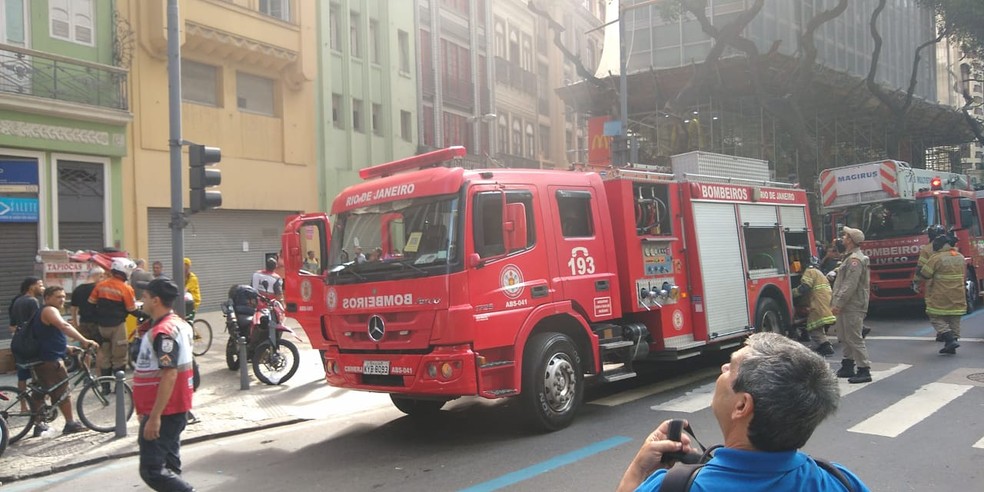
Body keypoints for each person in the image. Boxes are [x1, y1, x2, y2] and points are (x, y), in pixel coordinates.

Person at [617, 333, 869, 492]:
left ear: (742, 406)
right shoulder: (839, 481)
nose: (723, 366)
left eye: (731, 368)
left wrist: (638, 470)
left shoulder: (671, 487)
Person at [132, 277, 196, 492]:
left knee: (152, 470)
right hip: (172, 407)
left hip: (165, 410)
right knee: (169, 465)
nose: (142, 299)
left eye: (146, 296)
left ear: (156, 300)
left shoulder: (164, 332)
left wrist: (155, 416)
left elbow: (169, 374)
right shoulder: (179, 323)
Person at [30, 286, 99, 435]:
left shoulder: (43, 311)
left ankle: (39, 424)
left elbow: (48, 337)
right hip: (50, 360)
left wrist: (67, 348)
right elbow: (64, 326)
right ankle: (70, 423)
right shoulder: (49, 310)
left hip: (43, 357)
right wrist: (84, 340)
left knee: (40, 392)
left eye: (63, 296)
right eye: (57, 297)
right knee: (63, 392)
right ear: (47, 298)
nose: (62, 300)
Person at [89, 258, 139, 391]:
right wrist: (145, 315)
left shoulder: (100, 285)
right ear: (124, 271)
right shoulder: (126, 288)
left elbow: (91, 304)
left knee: (105, 356)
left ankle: (105, 388)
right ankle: (119, 388)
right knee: (120, 357)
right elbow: (131, 309)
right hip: (117, 326)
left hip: (102, 326)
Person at [831, 226, 872, 384]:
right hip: (847, 305)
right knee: (844, 336)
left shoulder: (855, 260)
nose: (843, 238)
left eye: (846, 236)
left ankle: (864, 369)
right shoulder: (848, 258)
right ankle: (848, 365)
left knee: (854, 337)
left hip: (852, 304)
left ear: (851, 240)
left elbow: (850, 285)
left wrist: (838, 303)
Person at [915, 233, 965, 354]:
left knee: (935, 316)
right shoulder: (959, 256)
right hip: (958, 293)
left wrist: (917, 278)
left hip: (941, 293)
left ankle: (949, 338)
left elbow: (926, 274)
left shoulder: (937, 258)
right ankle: (952, 344)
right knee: (955, 318)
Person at [8, 277, 44, 417]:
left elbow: (12, 325)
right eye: (40, 285)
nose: (42, 288)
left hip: (18, 342)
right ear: (31, 287)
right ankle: (38, 407)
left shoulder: (17, 300)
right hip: (30, 344)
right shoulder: (32, 301)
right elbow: (37, 324)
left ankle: (23, 407)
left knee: (22, 376)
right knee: (39, 374)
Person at [793, 256, 836, 356]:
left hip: (818, 302)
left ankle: (825, 347)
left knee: (813, 327)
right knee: (818, 326)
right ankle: (824, 345)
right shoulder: (819, 273)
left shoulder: (809, 271)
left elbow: (805, 287)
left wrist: (791, 293)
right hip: (825, 301)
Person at [71, 267, 105, 341]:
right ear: (99, 275)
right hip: (97, 323)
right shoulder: (98, 288)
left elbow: (73, 309)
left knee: (86, 347)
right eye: (102, 277)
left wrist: (76, 325)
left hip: (83, 322)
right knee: (99, 348)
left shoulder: (78, 289)